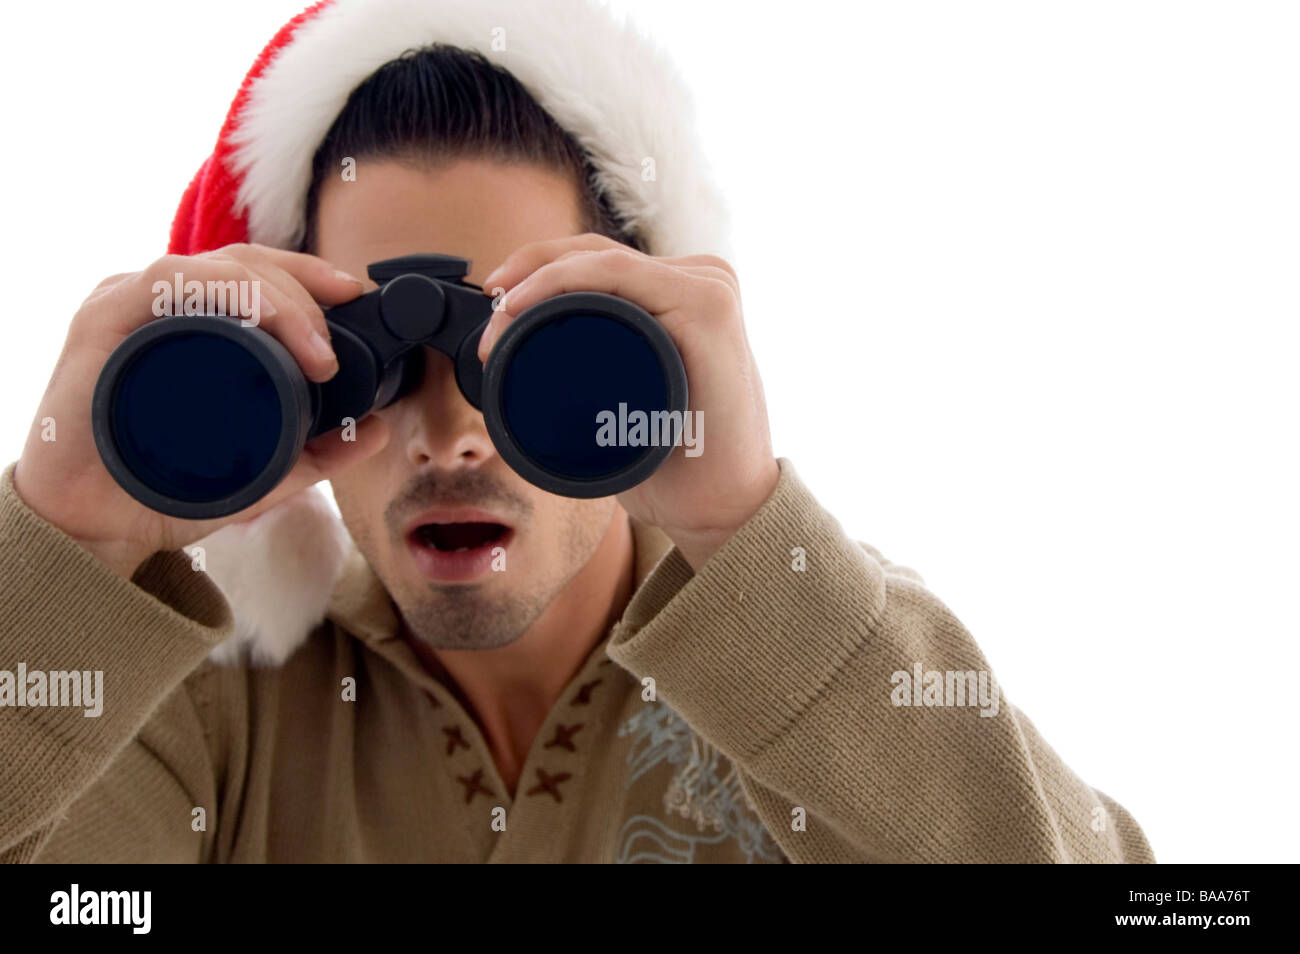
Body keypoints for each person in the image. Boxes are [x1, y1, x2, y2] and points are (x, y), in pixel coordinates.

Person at [0, 0, 1153, 863]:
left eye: (522, 353)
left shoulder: (814, 671)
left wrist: (746, 525)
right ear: (294, 374)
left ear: (635, 345)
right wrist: (63, 553)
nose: (449, 432)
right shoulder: (201, 704)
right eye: (371, 363)